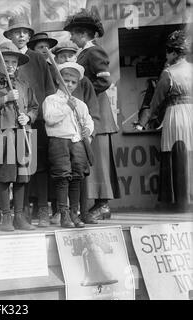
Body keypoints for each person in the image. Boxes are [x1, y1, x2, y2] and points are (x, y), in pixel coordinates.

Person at [64, 9, 120, 223]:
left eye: (74, 34)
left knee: (100, 163)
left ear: (83, 34)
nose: (71, 38)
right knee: (93, 162)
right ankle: (97, 205)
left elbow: (104, 81)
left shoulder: (94, 51)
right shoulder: (85, 53)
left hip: (98, 116)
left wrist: (81, 94)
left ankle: (103, 205)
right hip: (91, 114)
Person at [3, 15, 56, 228]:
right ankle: (21, 210)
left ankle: (43, 207)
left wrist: (44, 115)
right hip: (13, 123)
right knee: (20, 166)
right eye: (17, 32)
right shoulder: (5, 60)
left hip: (37, 119)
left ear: (30, 35)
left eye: (25, 32)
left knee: (40, 165)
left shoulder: (38, 58)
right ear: (10, 35)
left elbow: (50, 90)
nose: (21, 35)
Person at [0, 42, 39, 231]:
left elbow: (34, 107)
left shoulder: (24, 85)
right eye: (6, 61)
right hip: (1, 134)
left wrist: (27, 117)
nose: (11, 65)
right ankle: (6, 216)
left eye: (14, 62)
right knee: (4, 175)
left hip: (21, 133)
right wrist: (4, 99)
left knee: (22, 176)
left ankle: (19, 217)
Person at [135, 30, 193, 212]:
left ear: (174, 53)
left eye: (168, 52)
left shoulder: (169, 73)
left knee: (176, 156)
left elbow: (155, 103)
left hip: (176, 116)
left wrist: (141, 123)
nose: (166, 56)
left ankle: (181, 203)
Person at [51, 41, 101, 224]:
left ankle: (84, 212)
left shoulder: (84, 82)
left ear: (76, 57)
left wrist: (89, 133)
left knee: (81, 175)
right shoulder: (55, 80)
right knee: (63, 175)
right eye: (62, 56)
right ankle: (64, 212)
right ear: (56, 59)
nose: (67, 59)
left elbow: (91, 111)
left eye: (70, 55)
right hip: (62, 137)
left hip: (81, 136)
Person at [43, 62, 94, 228]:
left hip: (77, 143)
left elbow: (89, 121)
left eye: (73, 82)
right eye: (66, 80)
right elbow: (50, 118)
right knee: (62, 177)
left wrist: (88, 129)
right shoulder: (51, 100)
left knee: (77, 178)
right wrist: (67, 107)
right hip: (59, 142)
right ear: (58, 80)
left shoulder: (80, 104)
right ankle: (63, 213)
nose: (70, 84)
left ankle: (74, 213)